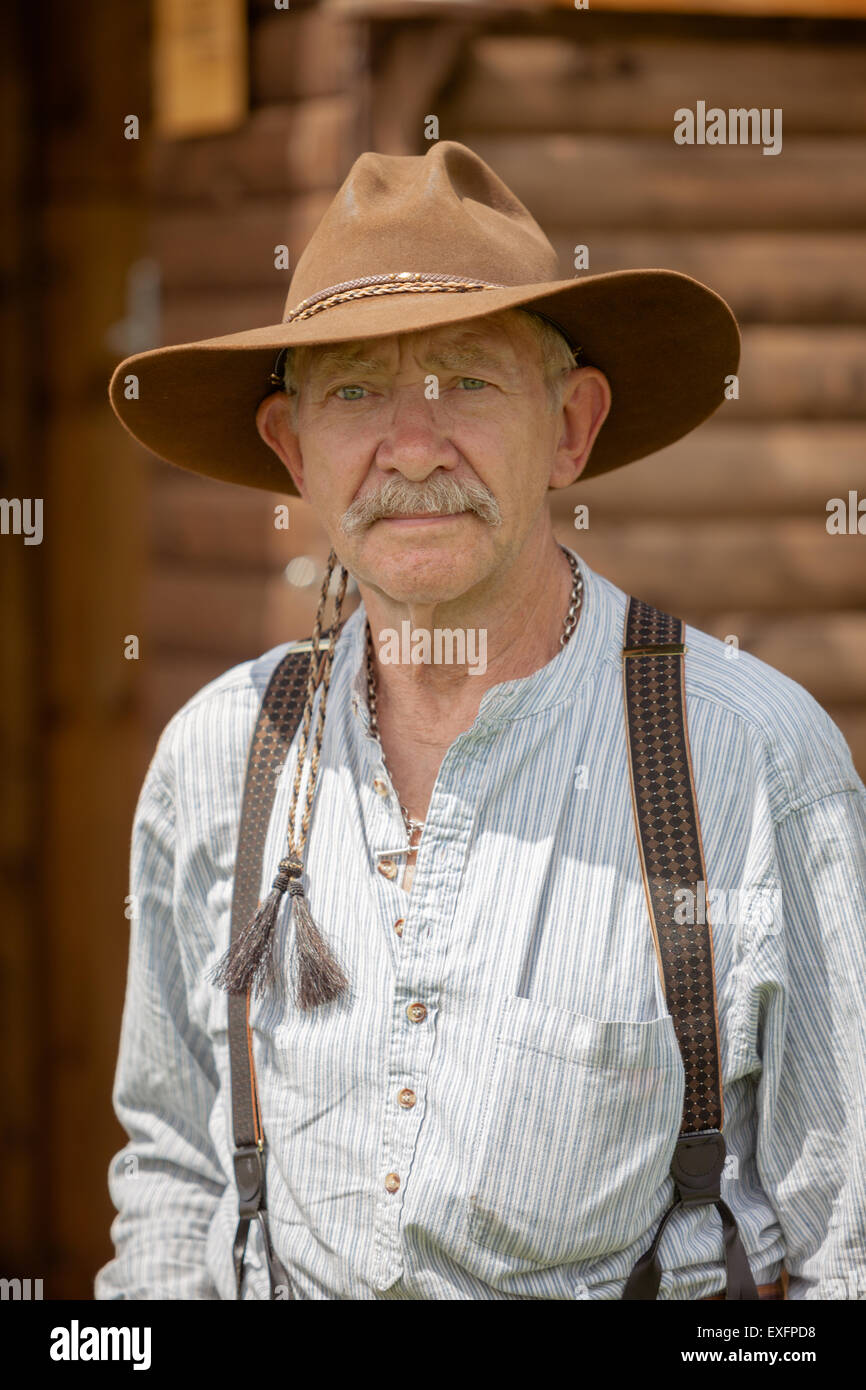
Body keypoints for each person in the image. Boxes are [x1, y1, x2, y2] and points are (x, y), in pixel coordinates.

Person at [96, 140, 866, 1300]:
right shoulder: (217, 754)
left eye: (466, 380)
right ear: (292, 450)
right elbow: (173, 1171)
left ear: (570, 428)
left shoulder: (754, 762)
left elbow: (842, 1251)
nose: (411, 446)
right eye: (354, 389)